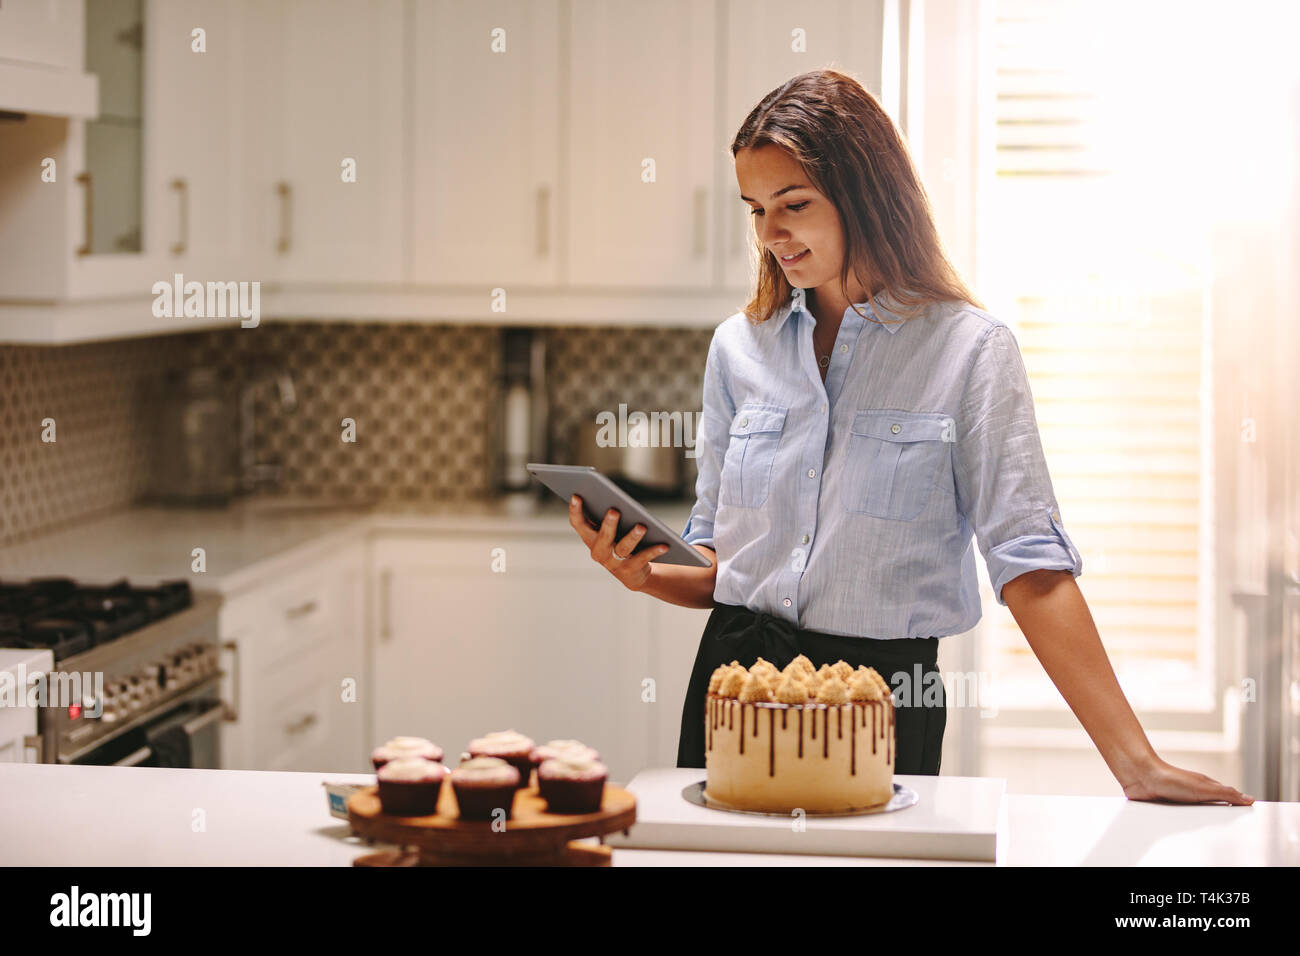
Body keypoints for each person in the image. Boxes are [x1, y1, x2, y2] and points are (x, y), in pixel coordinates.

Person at [569, 69, 1252, 804]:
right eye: (756, 209)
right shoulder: (740, 349)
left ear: (864, 193)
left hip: (885, 698)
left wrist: (1135, 763)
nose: (770, 234)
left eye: (793, 204)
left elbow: (1031, 568)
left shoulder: (971, 352)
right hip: (737, 685)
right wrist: (645, 572)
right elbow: (717, 561)